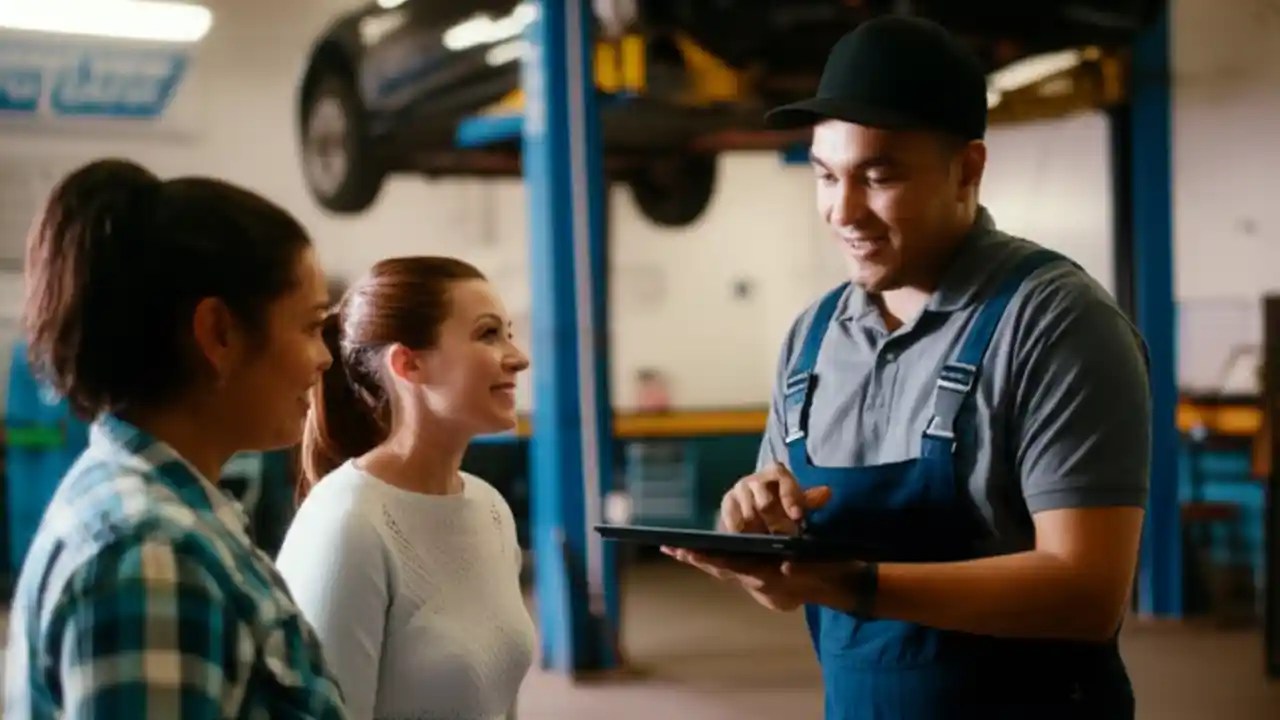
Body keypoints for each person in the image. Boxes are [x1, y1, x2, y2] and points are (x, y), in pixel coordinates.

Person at [664, 16, 1150, 720]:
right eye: (827, 176)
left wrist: (856, 586)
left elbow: (1086, 595)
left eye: (879, 176)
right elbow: (788, 589)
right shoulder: (813, 339)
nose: (843, 211)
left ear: (968, 169)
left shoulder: (1055, 324)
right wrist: (757, 545)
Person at [5, 159, 347, 718]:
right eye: (310, 327)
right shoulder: (149, 555)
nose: (323, 358)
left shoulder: (168, 518)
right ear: (219, 335)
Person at [275, 256, 535, 720]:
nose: (518, 357)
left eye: (508, 334)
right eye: (488, 334)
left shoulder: (490, 509)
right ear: (408, 363)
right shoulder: (348, 523)